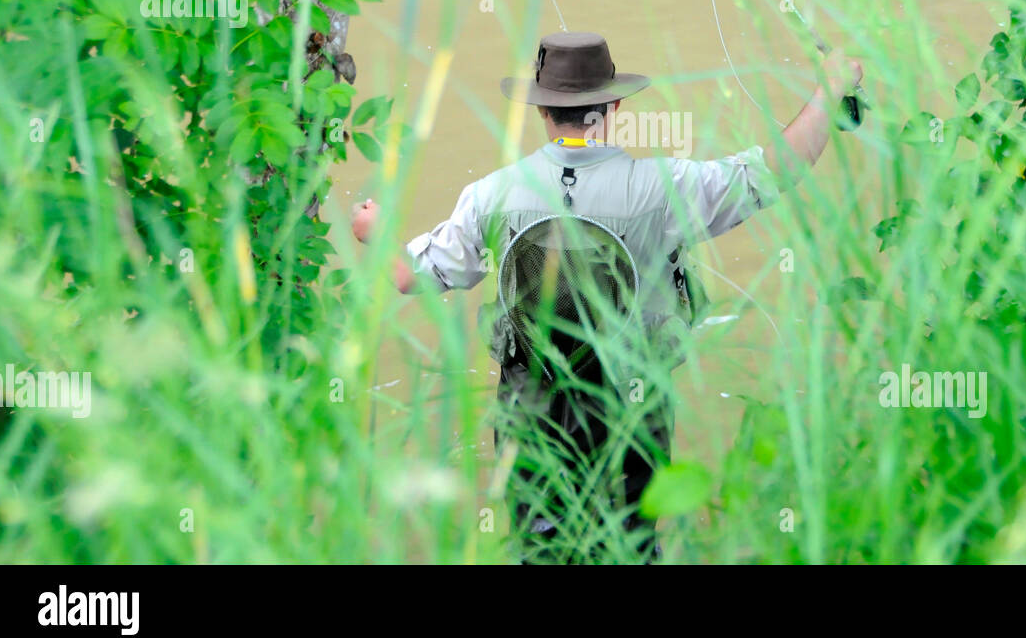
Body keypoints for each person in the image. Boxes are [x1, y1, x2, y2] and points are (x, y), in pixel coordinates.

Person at [352, 31, 862, 562]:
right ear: (614, 105)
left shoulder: (492, 195)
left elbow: (414, 277)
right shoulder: (664, 187)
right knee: (630, 539)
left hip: (533, 400)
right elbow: (771, 173)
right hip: (630, 396)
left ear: (542, 109)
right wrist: (828, 91)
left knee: (540, 545)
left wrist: (374, 230)